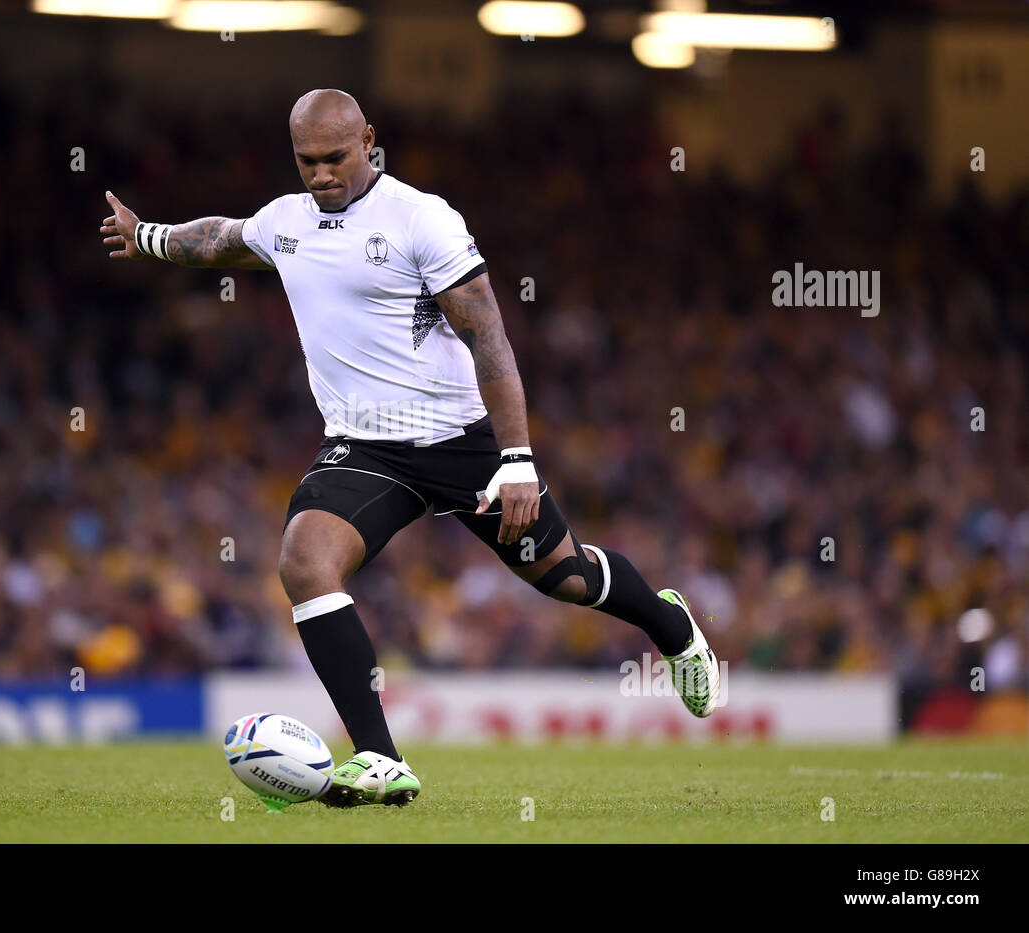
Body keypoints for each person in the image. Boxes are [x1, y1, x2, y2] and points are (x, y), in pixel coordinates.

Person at [101, 89, 720, 806]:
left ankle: (670, 624)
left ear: (368, 138)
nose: (322, 174)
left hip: (461, 441)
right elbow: (220, 239)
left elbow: (487, 333)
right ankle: (380, 757)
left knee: (566, 576)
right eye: (308, 161)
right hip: (365, 448)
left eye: (336, 156)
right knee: (305, 559)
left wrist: (516, 460)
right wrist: (146, 234)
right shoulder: (286, 221)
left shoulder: (420, 218)